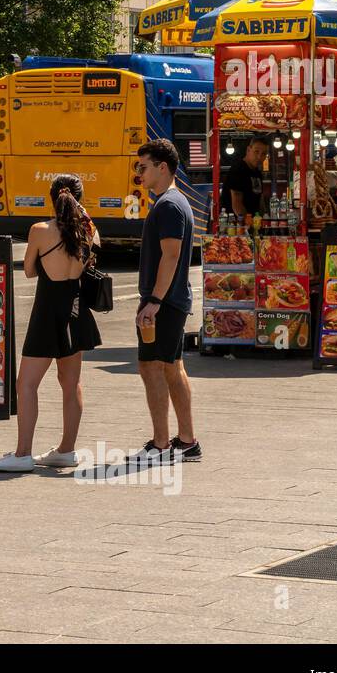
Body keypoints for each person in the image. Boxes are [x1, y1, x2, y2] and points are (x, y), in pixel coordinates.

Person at [0, 174, 101, 472]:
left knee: (27, 383)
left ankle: (23, 453)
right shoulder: (90, 230)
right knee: (71, 382)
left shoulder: (39, 230)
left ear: (52, 198)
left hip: (47, 309)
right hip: (76, 310)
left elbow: (28, 270)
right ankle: (67, 449)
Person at [133, 138, 201, 463]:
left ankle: (161, 445)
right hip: (172, 301)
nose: (139, 174)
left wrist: (154, 300)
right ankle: (187, 441)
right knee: (172, 367)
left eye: (143, 167)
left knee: (152, 368)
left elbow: (171, 256)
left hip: (165, 302)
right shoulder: (174, 202)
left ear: (163, 167)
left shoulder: (170, 205)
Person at [220, 136, 269, 217]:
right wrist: (249, 225)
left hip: (254, 223)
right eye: (256, 152)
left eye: (263, 154)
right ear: (248, 150)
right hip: (235, 226)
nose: (259, 157)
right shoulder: (238, 170)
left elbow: (260, 200)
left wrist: (262, 220)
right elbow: (237, 206)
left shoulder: (257, 173)